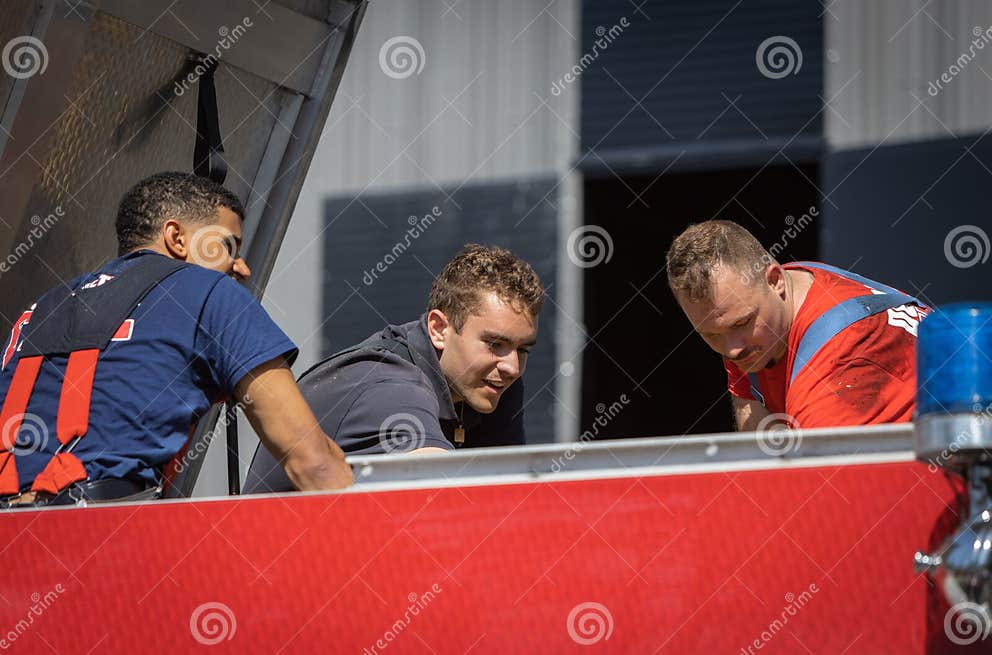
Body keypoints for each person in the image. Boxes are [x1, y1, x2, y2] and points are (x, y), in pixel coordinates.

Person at [0, 172, 352, 507]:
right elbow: (313, 464)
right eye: (228, 246)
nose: (241, 267)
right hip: (100, 534)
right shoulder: (209, 292)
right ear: (177, 238)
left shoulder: (39, 308)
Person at [244, 244, 542, 491]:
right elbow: (447, 493)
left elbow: (512, 499)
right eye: (494, 344)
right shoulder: (389, 384)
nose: (513, 367)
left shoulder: (491, 381)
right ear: (439, 329)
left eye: (523, 349)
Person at [665, 220, 928, 431]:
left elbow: (825, 493)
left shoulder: (839, 367)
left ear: (775, 280)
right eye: (711, 335)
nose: (732, 350)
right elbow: (758, 451)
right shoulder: (756, 310)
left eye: (742, 323)